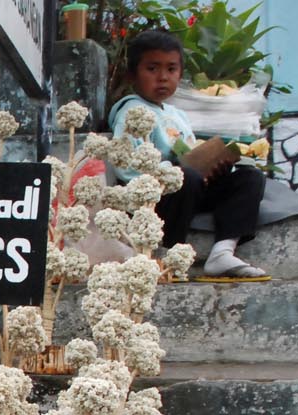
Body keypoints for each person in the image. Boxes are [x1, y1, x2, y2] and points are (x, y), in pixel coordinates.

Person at [110, 29, 268, 279]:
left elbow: (192, 153)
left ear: (180, 74)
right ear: (132, 75)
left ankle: (223, 250)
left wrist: (215, 167)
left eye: (171, 69)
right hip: (155, 199)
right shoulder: (131, 111)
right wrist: (173, 172)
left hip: (191, 186)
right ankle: (171, 254)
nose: (162, 77)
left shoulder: (178, 115)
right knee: (186, 177)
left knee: (249, 177)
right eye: (152, 69)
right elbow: (126, 167)